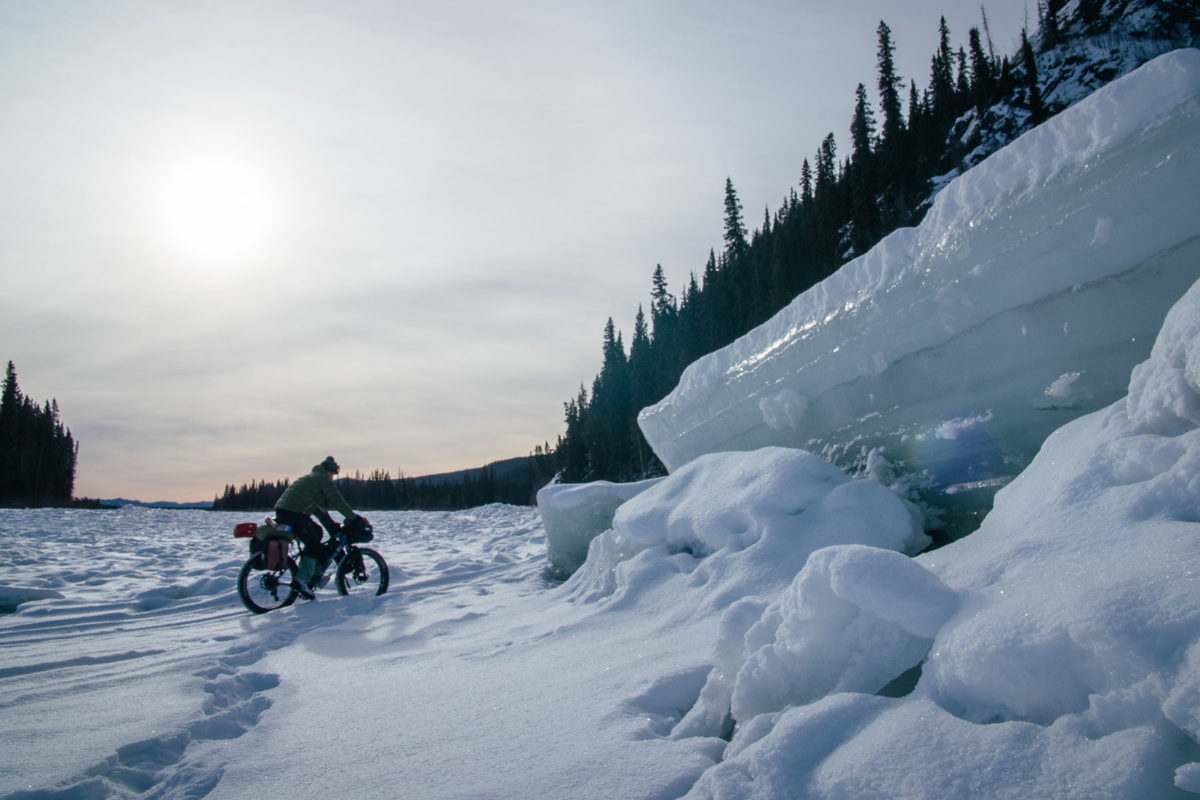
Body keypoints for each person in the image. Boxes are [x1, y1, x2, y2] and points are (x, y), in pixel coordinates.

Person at [272, 456, 360, 595]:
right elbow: (338, 501)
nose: (332, 478)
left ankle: (309, 574)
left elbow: (313, 507)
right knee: (314, 546)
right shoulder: (322, 478)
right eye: (332, 474)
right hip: (294, 514)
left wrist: (328, 521)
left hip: (283, 512)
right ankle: (301, 581)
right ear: (328, 472)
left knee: (317, 532)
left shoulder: (312, 477)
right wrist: (354, 518)